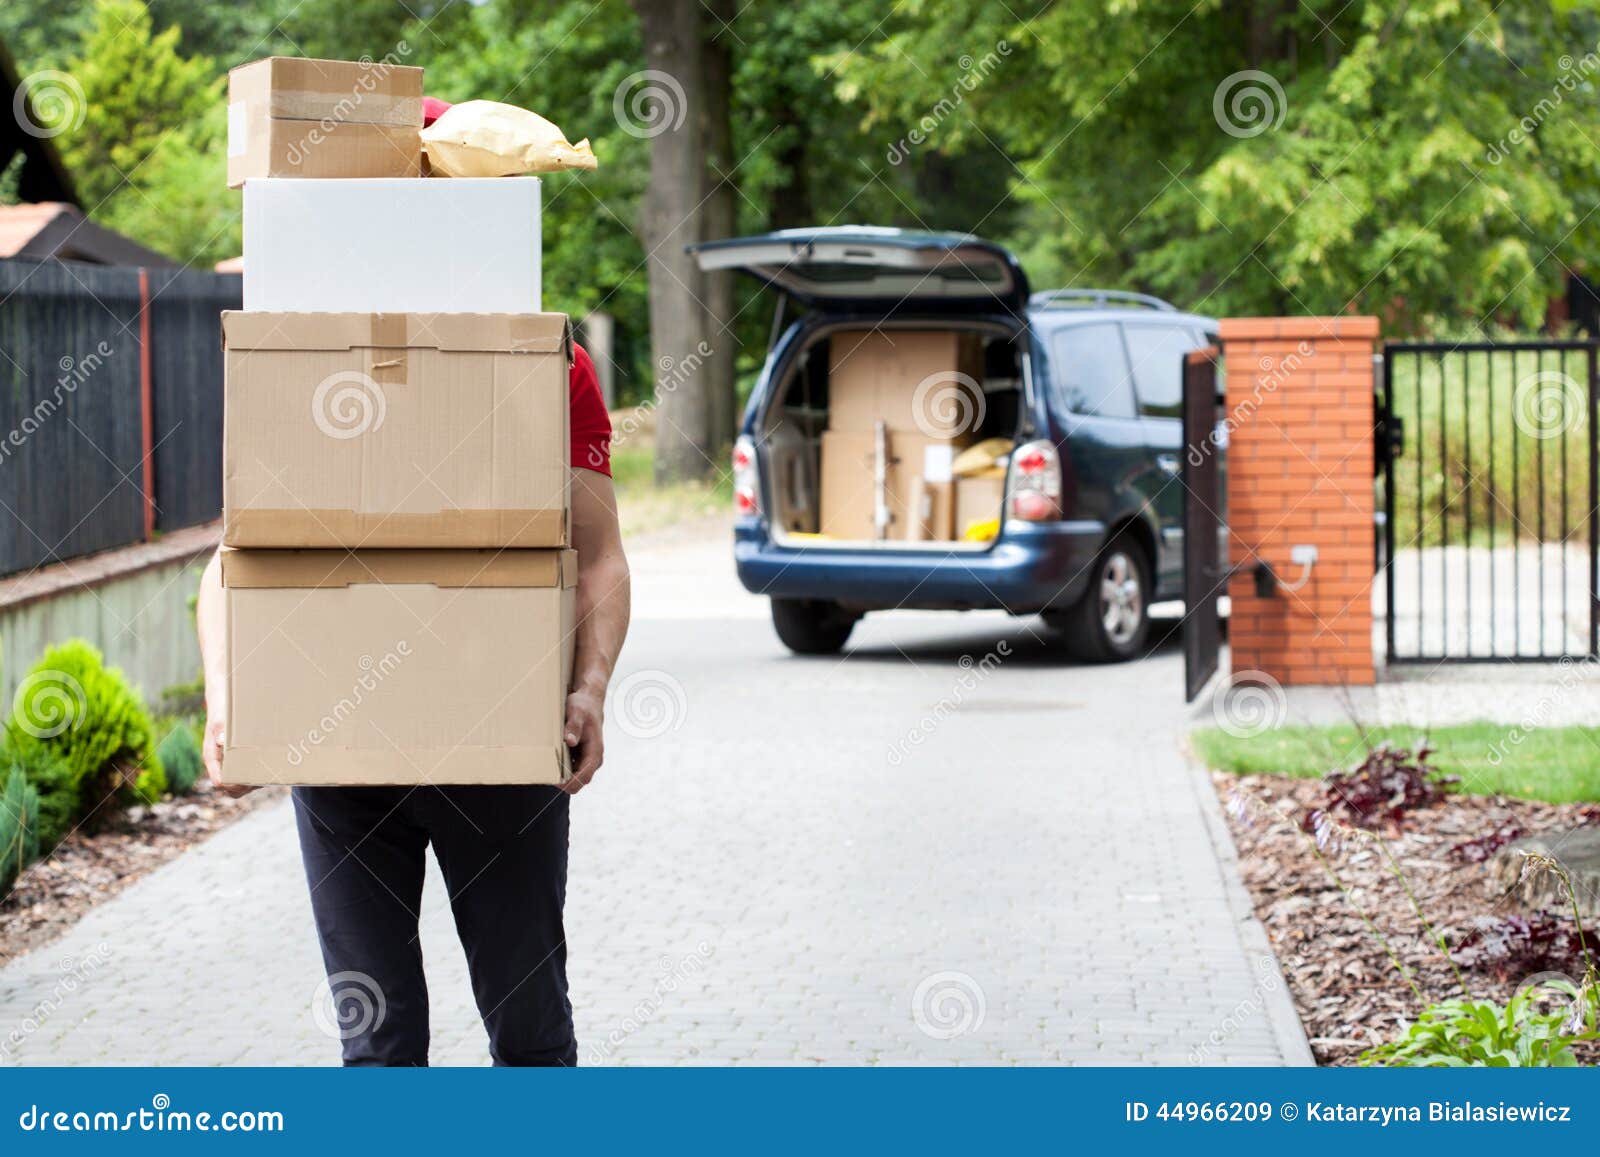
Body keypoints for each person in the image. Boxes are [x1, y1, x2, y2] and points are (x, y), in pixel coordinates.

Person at [193, 342, 631, 1066]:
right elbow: (237, 553)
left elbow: (600, 551)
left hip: (505, 743)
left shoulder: (548, 363)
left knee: (530, 1033)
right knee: (378, 1045)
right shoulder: (304, 356)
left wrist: (591, 686)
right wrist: (227, 702)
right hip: (343, 751)